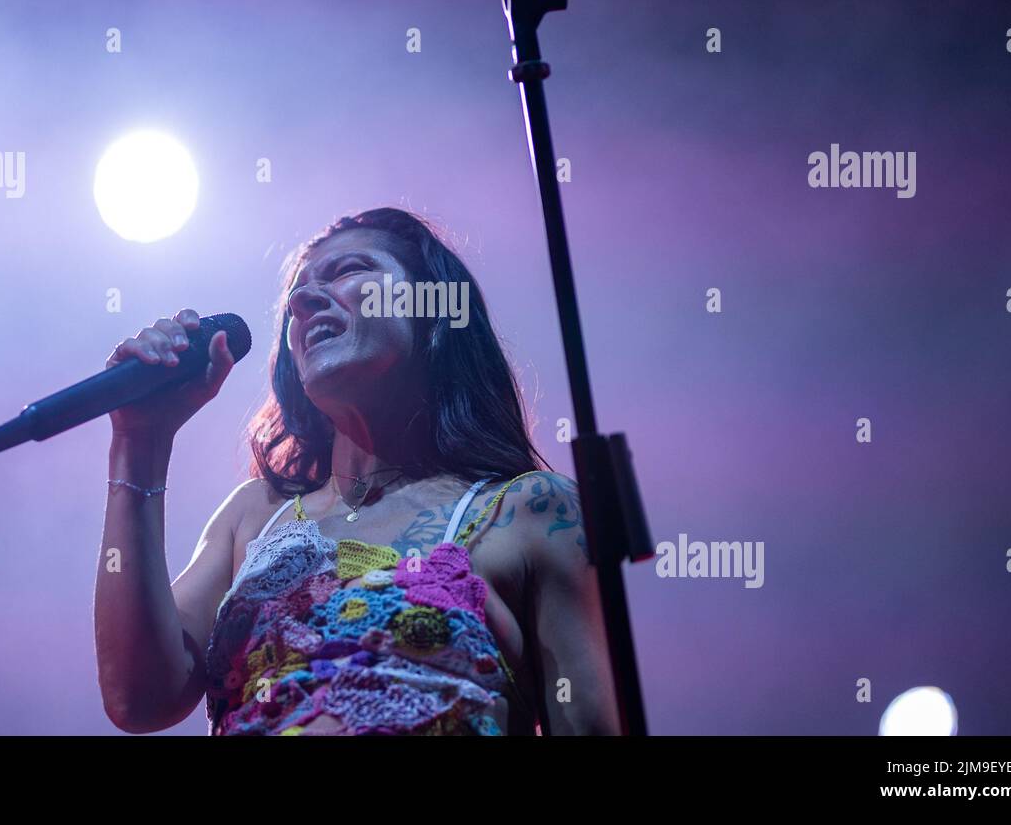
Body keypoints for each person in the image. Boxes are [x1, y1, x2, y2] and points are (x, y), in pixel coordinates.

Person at [93, 207, 619, 735]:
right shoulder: (253, 516)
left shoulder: (528, 511)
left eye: (348, 271)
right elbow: (139, 699)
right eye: (297, 292)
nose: (301, 300)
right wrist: (139, 442)